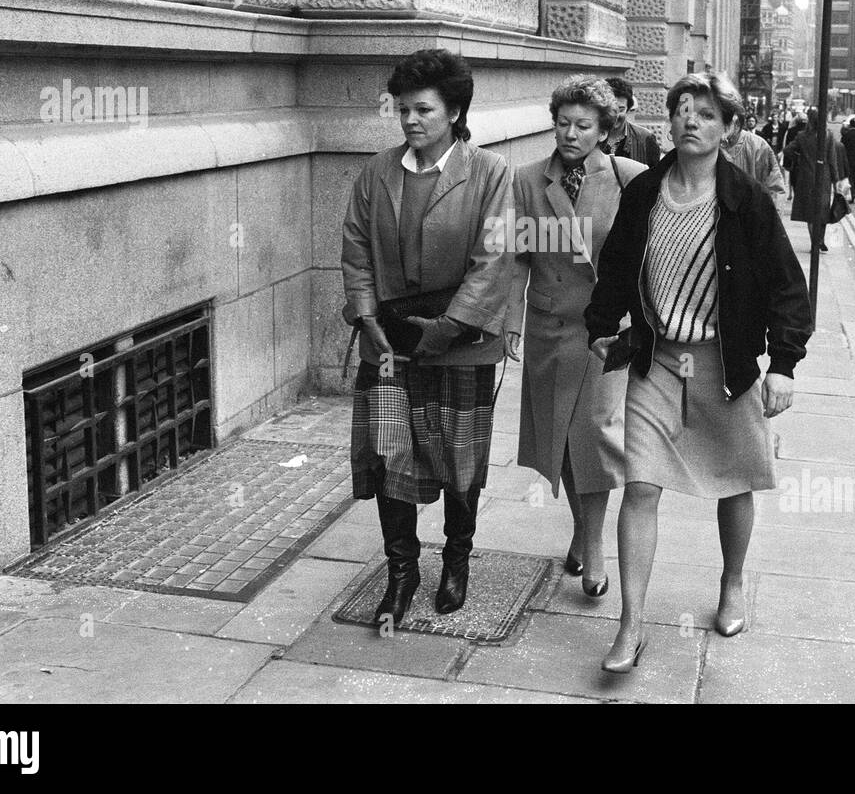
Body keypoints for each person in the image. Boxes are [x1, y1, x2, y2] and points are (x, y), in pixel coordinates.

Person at [585, 71, 813, 673]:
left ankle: (732, 582)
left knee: (734, 479)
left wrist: (783, 365)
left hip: (724, 364)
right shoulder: (645, 193)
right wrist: (600, 323)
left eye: (707, 114)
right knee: (640, 485)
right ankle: (631, 624)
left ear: (730, 128)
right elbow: (615, 267)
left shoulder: (746, 203)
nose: (692, 120)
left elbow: (790, 289)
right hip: (656, 360)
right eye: (683, 109)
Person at [341, 48, 513, 626]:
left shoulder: (489, 173)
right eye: (403, 110)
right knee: (391, 455)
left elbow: (495, 259)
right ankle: (401, 571)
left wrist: (447, 328)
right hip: (388, 345)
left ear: (455, 111)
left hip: (459, 343)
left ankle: (456, 560)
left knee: (460, 457)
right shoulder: (377, 172)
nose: (410, 121)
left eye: (424, 110)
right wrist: (367, 319)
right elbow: (356, 249)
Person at [506, 77, 647, 598]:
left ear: (605, 129)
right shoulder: (525, 181)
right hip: (548, 327)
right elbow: (515, 256)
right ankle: (582, 532)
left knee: (594, 435)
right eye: (562, 123)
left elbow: (645, 261)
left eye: (583, 125)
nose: (570, 133)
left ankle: (594, 552)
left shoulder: (632, 178)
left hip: (603, 333)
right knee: (559, 440)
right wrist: (511, 322)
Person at [783, 110, 848, 252]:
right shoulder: (828, 135)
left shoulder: (802, 136)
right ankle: (820, 240)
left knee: (810, 213)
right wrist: (836, 180)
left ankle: (814, 243)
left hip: (806, 177)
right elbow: (832, 159)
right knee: (823, 210)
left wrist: (799, 159)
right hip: (824, 178)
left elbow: (787, 150)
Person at [719, 110, 787, 199]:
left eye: (726, 122)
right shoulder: (707, 145)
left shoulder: (758, 146)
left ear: (737, 124)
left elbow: (775, 189)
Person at [602, 78, 662, 168]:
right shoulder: (592, 136)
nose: (615, 115)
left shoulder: (646, 138)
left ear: (628, 109)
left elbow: (655, 176)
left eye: (621, 109)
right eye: (610, 109)